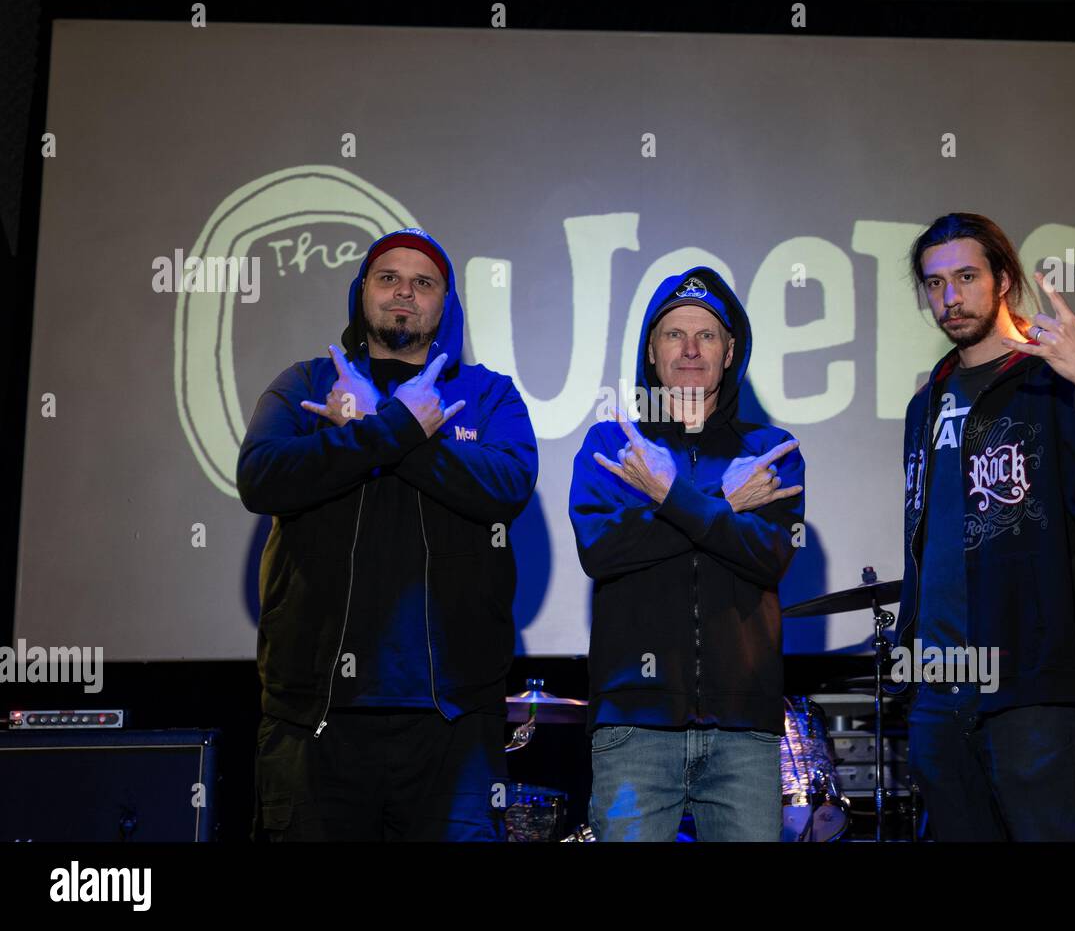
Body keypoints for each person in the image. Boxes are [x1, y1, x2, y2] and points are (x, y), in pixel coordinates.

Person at [238, 227, 538, 841]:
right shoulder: (305, 385)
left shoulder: (486, 396)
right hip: (313, 717)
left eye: (423, 283)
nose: (405, 292)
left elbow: (507, 485)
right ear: (362, 294)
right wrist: (391, 429)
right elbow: (260, 479)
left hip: (453, 722)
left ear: (444, 306)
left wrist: (380, 426)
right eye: (388, 278)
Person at [898, 212, 1075, 841]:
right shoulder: (926, 401)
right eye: (935, 283)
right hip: (940, 682)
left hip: (1029, 676)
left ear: (1003, 279)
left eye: (966, 276)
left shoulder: (1051, 379)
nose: (950, 296)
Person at [569, 268, 806, 841]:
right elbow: (604, 551)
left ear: (730, 353)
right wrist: (722, 500)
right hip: (634, 725)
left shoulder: (772, 452)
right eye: (674, 334)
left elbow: (767, 558)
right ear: (652, 351)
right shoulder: (614, 446)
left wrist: (668, 500)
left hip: (744, 730)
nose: (691, 349)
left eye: (708, 335)